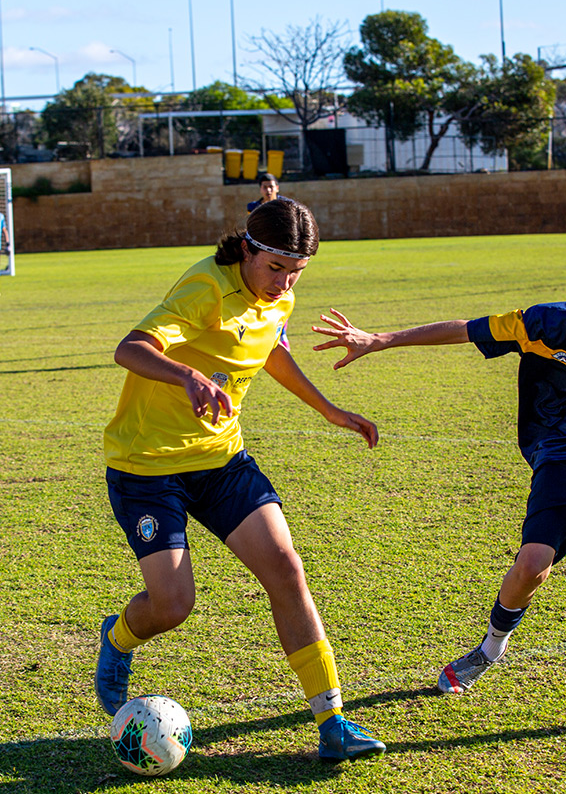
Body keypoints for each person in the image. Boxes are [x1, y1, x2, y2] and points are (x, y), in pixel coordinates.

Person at [313, 237, 566, 695]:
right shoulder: (546, 323)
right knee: (531, 565)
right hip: (563, 456)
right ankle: (490, 649)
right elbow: (466, 330)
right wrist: (379, 340)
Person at [95, 199, 386, 762]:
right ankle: (118, 637)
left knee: (286, 567)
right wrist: (188, 376)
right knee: (172, 606)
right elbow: (129, 348)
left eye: (296, 272)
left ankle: (332, 721)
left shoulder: (279, 297)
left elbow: (270, 349)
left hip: (222, 461)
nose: (284, 283)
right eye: (275, 268)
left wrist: (328, 410)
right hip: (147, 466)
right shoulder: (206, 286)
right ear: (248, 250)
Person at [247, 174, 291, 349]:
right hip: (263, 257)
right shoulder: (253, 207)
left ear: (277, 188)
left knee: (282, 292)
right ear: (260, 189)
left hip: (282, 255)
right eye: (265, 187)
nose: (268, 190)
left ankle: (281, 332)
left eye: (271, 186)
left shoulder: (285, 205)